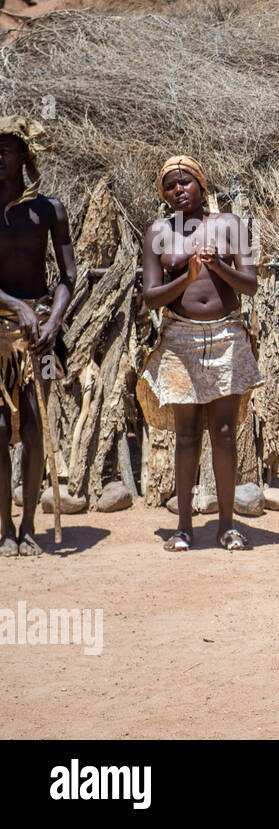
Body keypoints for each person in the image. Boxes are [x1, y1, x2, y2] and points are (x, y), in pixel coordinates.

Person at [139, 155, 263, 551]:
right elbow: (151, 298)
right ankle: (184, 527)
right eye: (171, 186)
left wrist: (218, 268)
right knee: (187, 433)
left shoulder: (230, 225)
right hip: (180, 338)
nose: (179, 191)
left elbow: (250, 286)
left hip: (226, 334)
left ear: (201, 185)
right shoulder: (159, 232)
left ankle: (227, 525)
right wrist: (189, 276)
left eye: (186, 182)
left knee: (224, 433)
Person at [0, 116, 73, 556]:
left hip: (40, 333)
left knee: (32, 425)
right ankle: (3, 527)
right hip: (3, 325)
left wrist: (52, 321)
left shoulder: (49, 210)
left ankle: (28, 525)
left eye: (6, 149)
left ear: (24, 157)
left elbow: (68, 274)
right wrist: (14, 306)